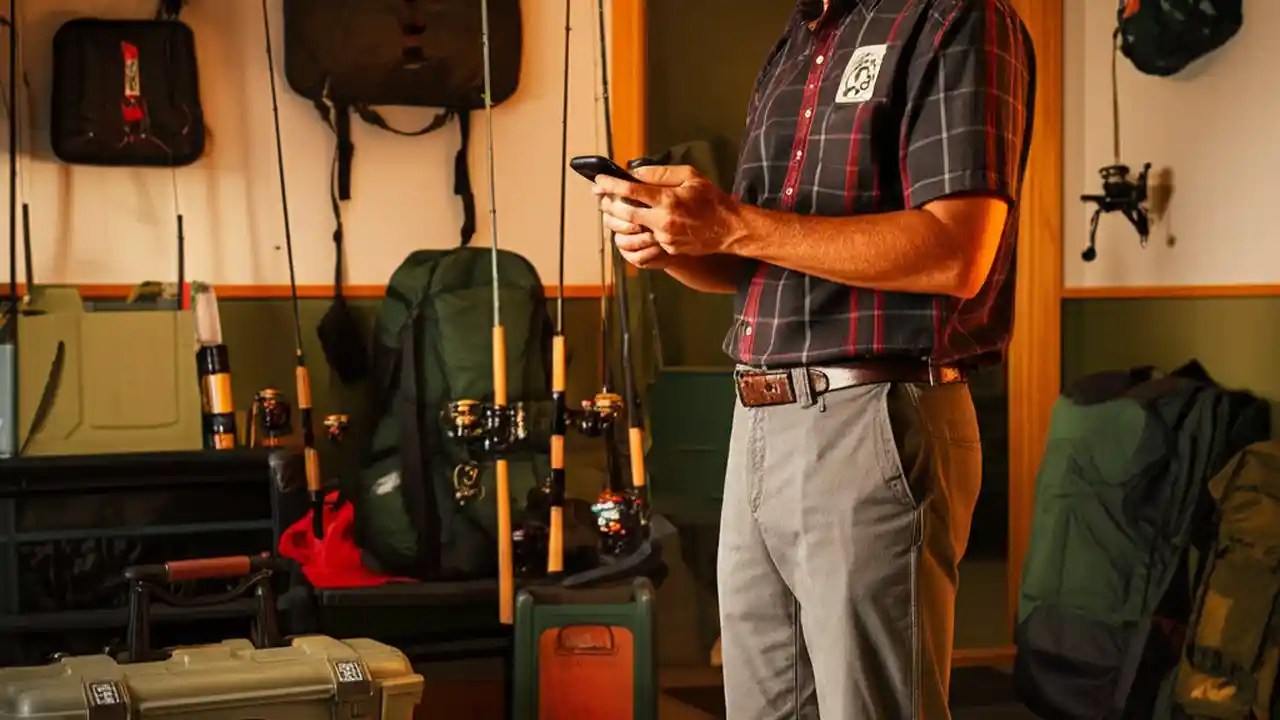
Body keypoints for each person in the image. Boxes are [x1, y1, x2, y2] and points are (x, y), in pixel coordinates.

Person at [591, 0, 1036, 717]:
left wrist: (730, 223)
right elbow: (758, 260)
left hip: (873, 418)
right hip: (759, 423)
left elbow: (958, 252)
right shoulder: (799, 40)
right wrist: (673, 241)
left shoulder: (954, 16)